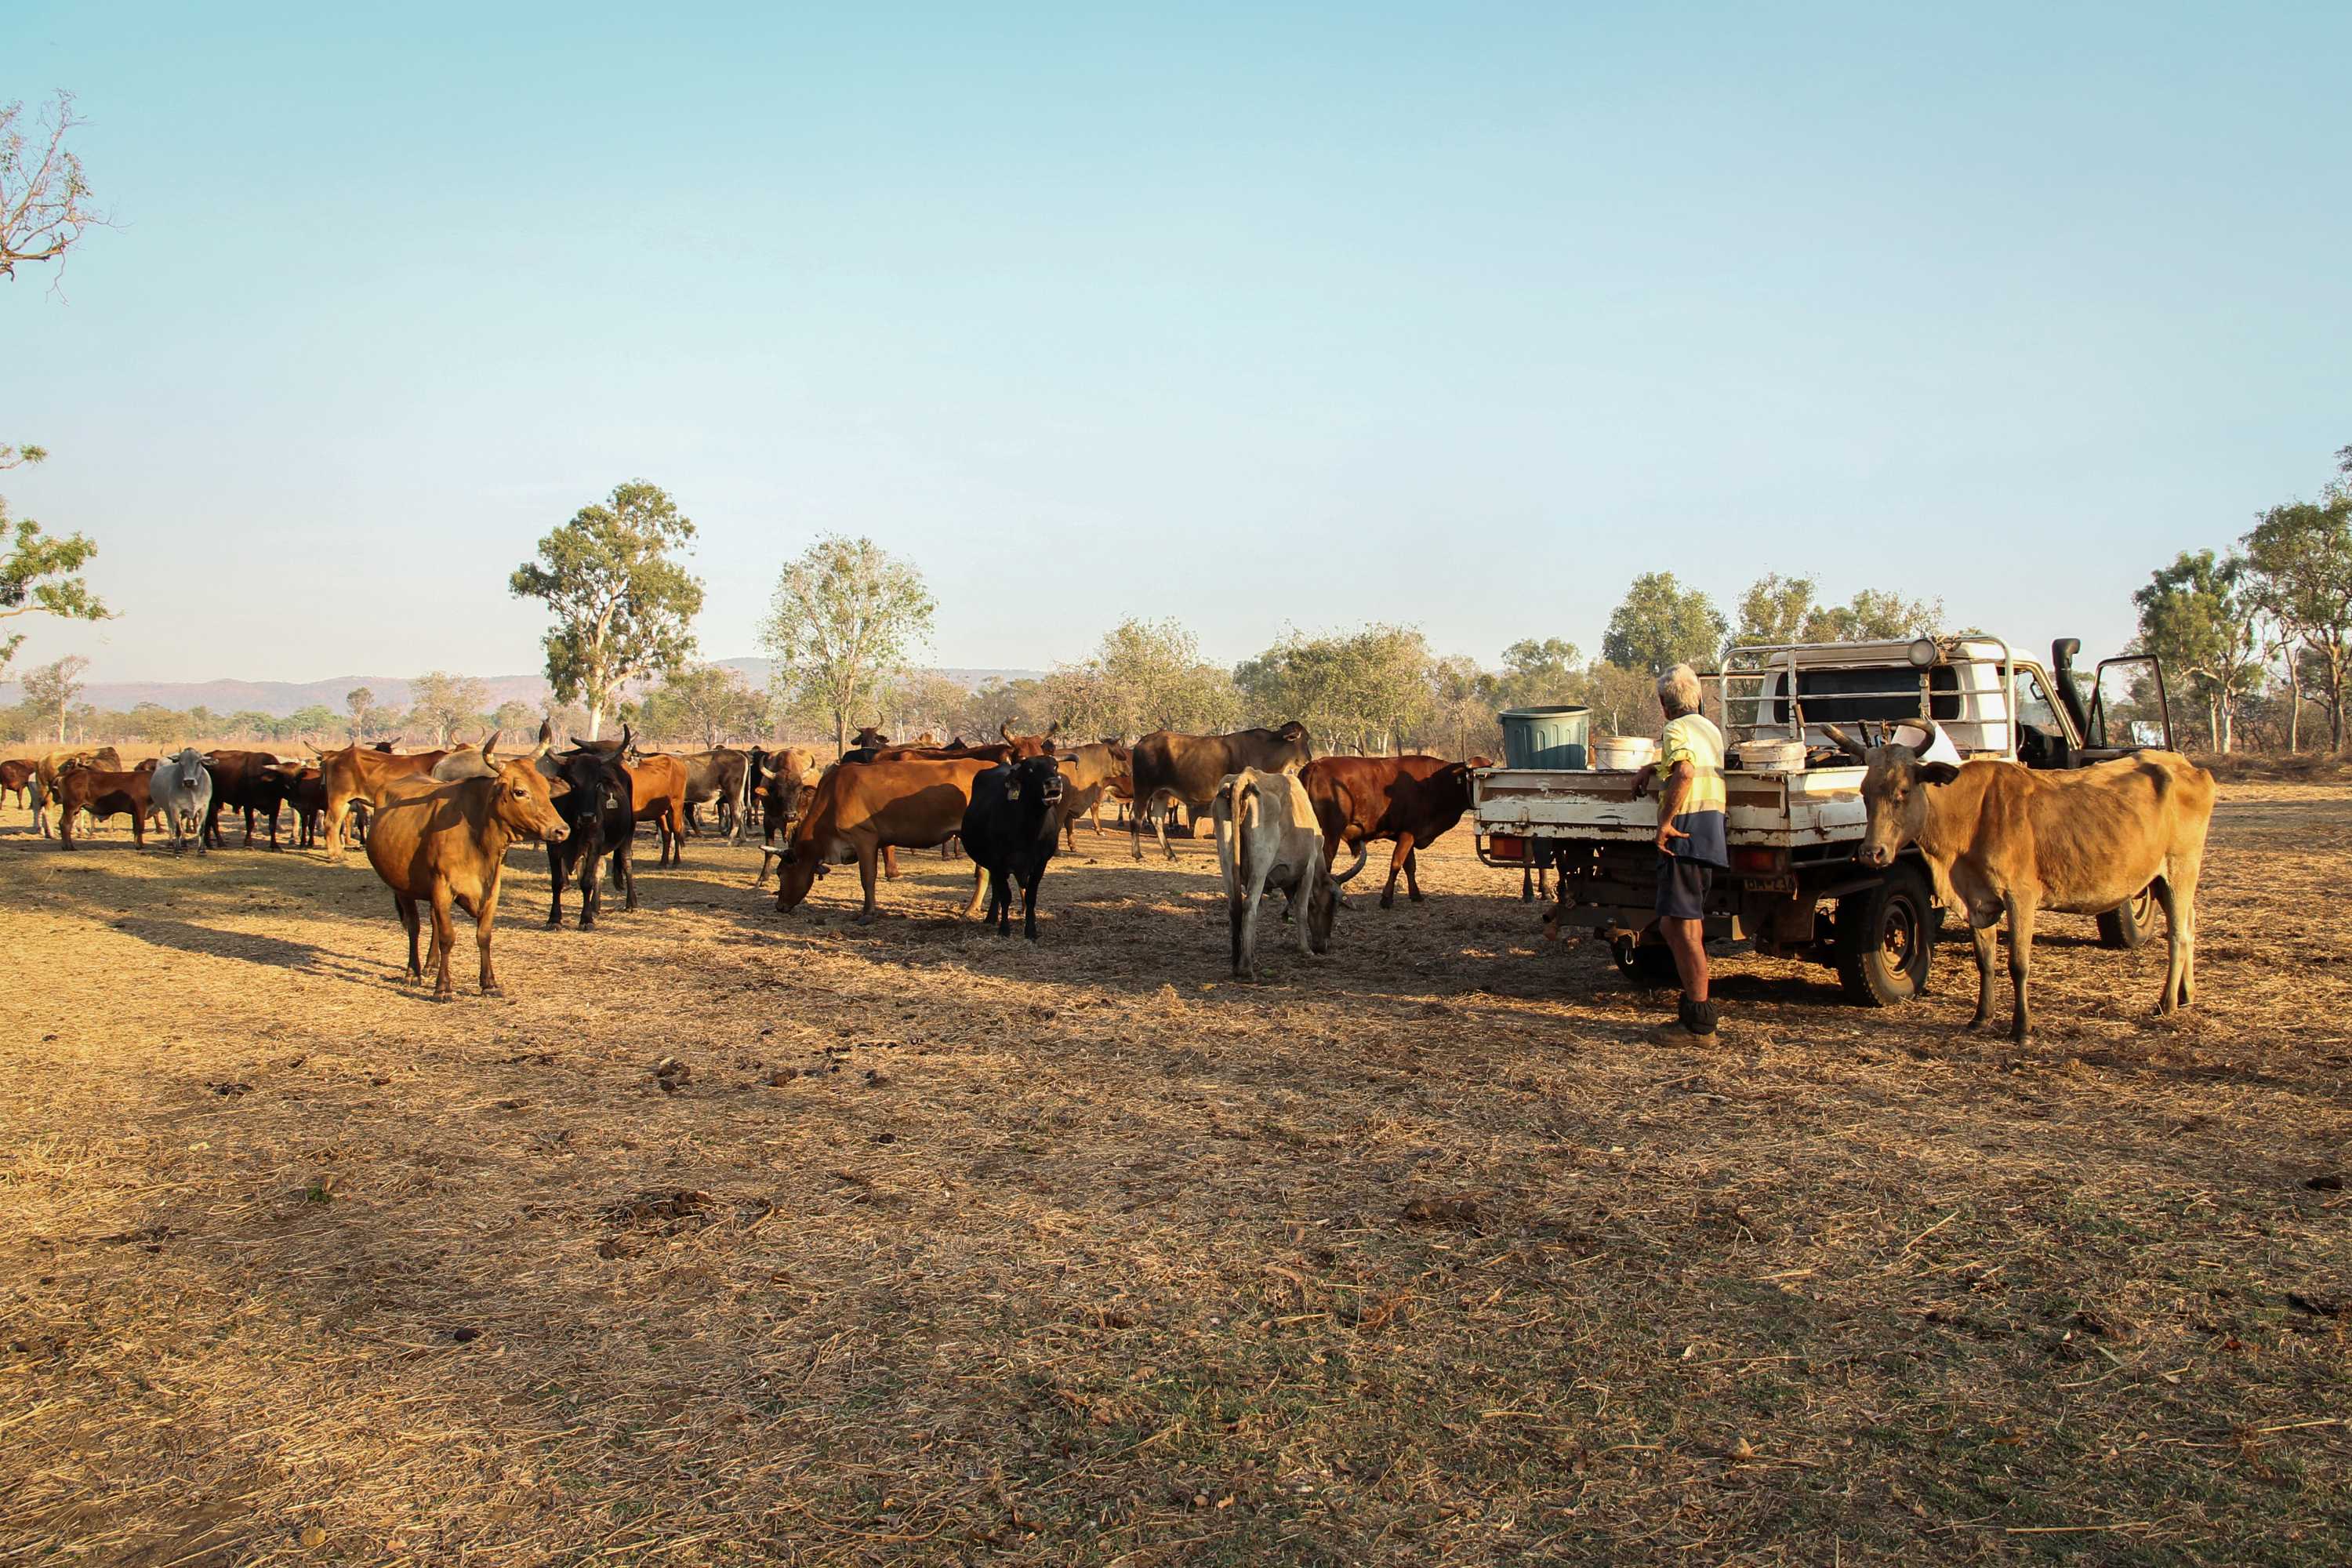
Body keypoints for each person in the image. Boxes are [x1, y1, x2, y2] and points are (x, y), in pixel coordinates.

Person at [1632, 663, 1726, 1040]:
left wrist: (1665, 823)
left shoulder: (1675, 729)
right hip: (1708, 830)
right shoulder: (1708, 729)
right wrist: (1652, 766)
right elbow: (1688, 763)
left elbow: (1685, 772)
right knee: (1676, 924)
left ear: (1662, 703)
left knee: (1684, 930)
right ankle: (1693, 1012)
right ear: (1699, 698)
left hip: (1685, 834)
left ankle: (1701, 1025)